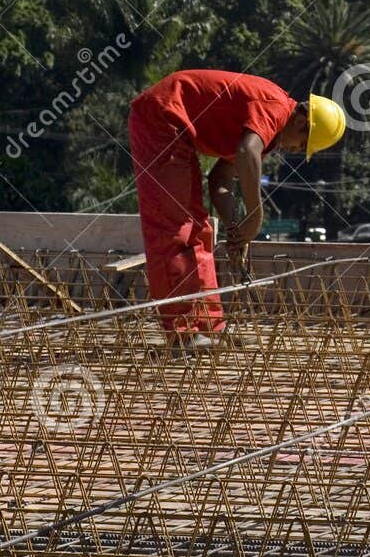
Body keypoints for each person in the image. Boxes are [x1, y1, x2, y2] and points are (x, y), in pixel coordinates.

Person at [128, 69, 345, 350]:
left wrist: (234, 230)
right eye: (302, 144)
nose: (295, 149)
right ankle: (182, 332)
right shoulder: (275, 108)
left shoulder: (266, 135)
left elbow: (219, 179)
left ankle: (208, 327)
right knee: (175, 229)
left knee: (200, 229)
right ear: (302, 121)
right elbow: (245, 152)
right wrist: (255, 215)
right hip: (161, 115)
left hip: (177, 127)